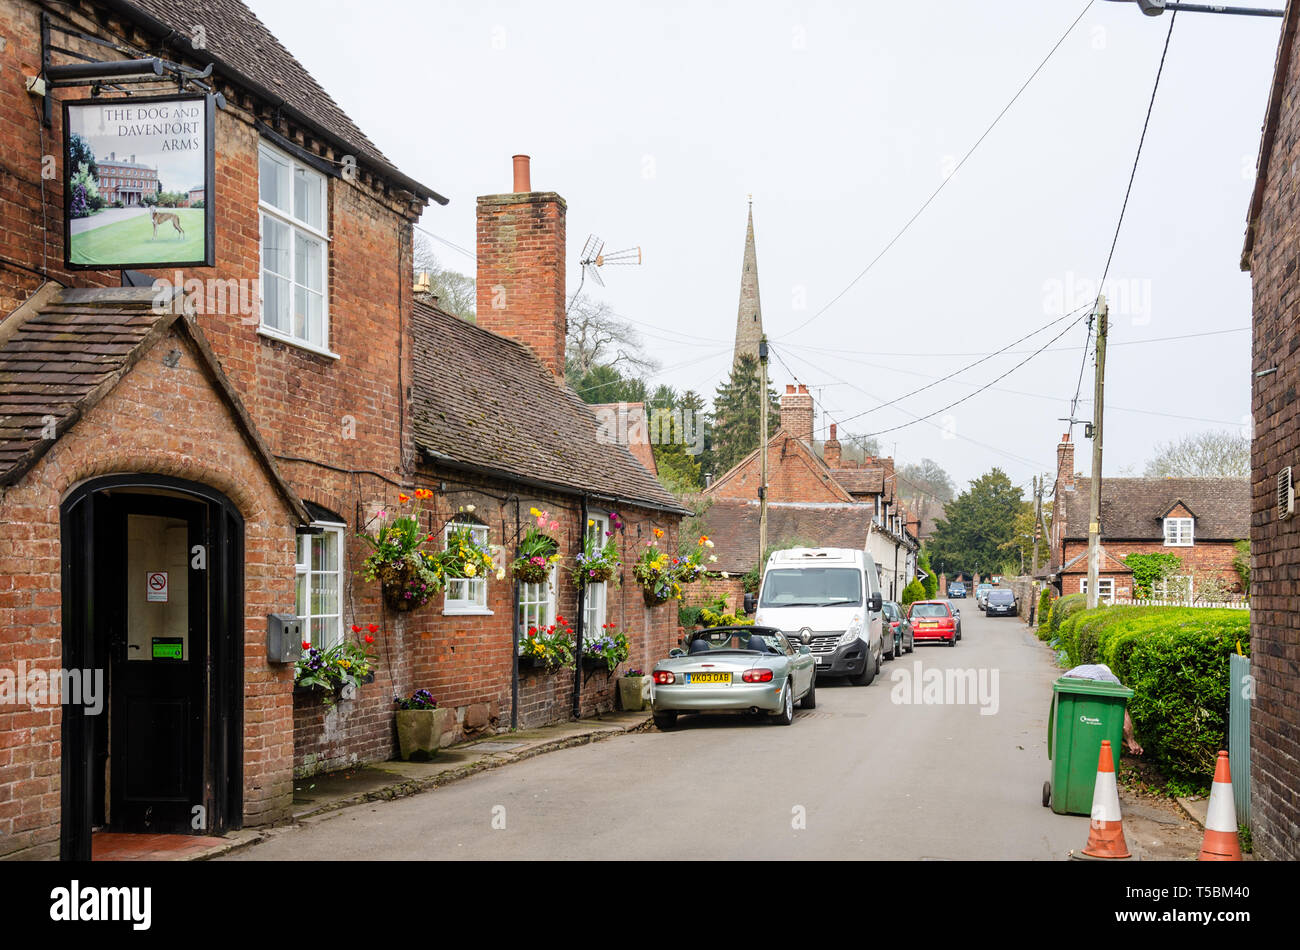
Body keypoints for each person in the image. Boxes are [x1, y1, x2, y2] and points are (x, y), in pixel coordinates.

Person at [1063, 663, 1143, 756]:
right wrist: (1131, 741)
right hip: (1091, 682)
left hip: (1066, 680)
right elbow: (1123, 717)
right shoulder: (1112, 679)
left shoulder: (1078, 668)